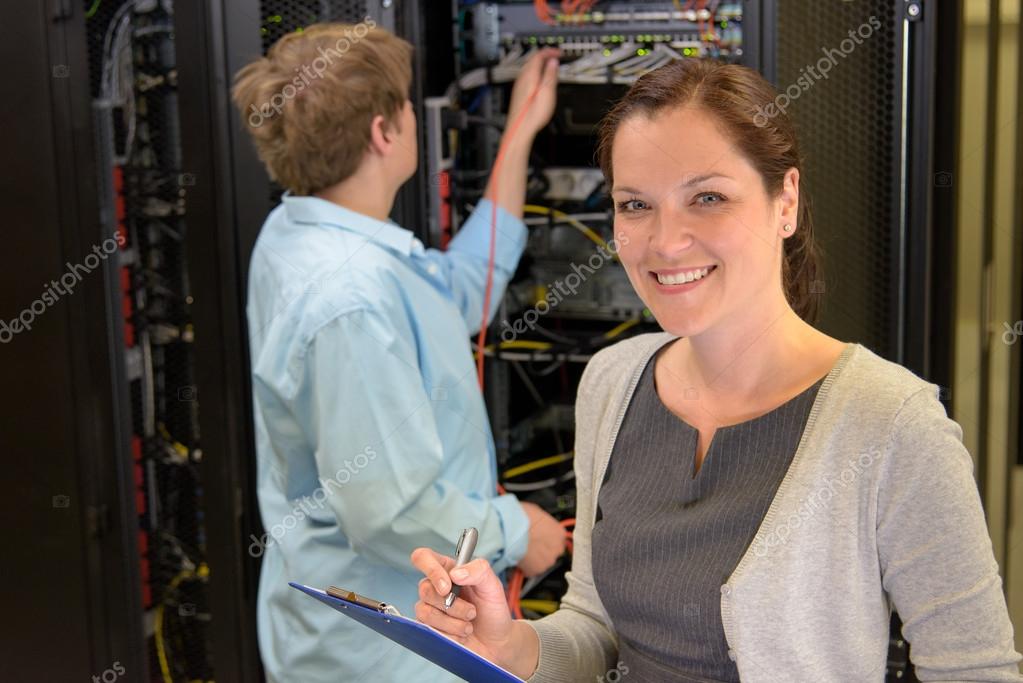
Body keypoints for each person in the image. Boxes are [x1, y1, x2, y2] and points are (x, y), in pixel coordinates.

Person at [411, 58, 1023, 681]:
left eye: (708, 198)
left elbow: (977, 670)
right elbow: (596, 623)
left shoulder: (891, 423)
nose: (665, 242)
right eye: (636, 205)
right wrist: (510, 644)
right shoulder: (612, 381)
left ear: (785, 201)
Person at [233, 23, 566, 682]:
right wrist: (518, 529)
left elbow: (454, 296)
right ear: (385, 133)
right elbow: (389, 510)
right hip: (385, 651)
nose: (418, 116)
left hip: (372, 633)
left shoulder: (298, 234)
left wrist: (519, 133)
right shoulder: (349, 300)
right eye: (409, 105)